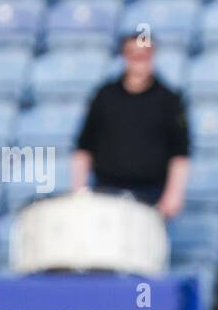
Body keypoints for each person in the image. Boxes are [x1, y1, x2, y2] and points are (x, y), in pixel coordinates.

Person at [70, 34, 190, 218]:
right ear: (124, 55)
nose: (139, 59)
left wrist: (173, 195)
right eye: (133, 53)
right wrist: (79, 190)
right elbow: (84, 146)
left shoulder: (169, 100)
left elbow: (180, 153)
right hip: (106, 190)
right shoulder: (104, 96)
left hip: (152, 194)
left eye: (145, 53)